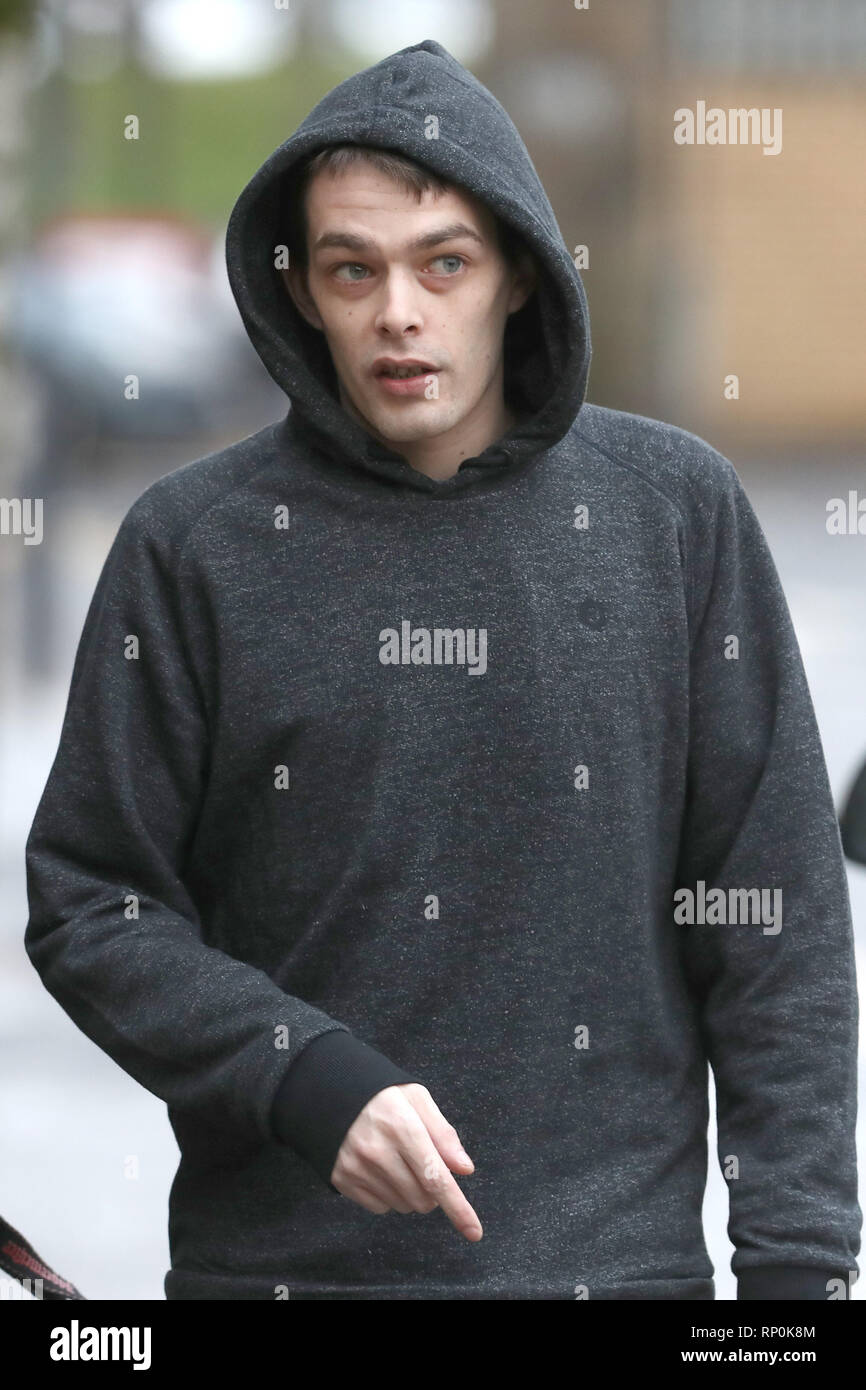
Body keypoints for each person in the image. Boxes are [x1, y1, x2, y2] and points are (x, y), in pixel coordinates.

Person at [24, 38, 860, 1301]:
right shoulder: (191, 546)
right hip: (282, 1279)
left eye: (443, 264)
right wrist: (297, 1070)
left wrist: (795, 1281)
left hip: (618, 1278)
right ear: (302, 287)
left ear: (516, 274)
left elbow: (772, 921)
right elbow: (93, 901)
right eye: (351, 269)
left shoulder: (673, 515)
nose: (397, 313)